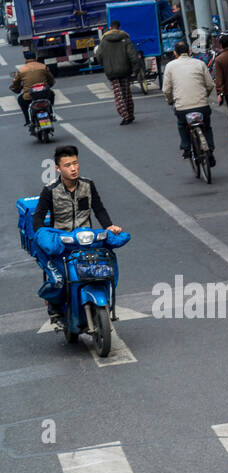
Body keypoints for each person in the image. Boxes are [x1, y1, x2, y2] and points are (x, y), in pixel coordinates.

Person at [31, 145, 124, 325]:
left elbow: (99, 209)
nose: (73, 168)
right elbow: (38, 218)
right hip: (62, 244)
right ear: (58, 168)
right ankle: (55, 306)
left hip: (87, 242)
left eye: (75, 163)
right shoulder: (50, 190)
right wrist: (43, 236)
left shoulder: (88, 185)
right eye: (67, 165)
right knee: (61, 281)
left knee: (105, 270)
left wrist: (110, 226)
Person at [162, 41, 216, 165]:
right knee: (206, 127)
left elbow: (166, 90)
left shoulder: (170, 66)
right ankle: (210, 148)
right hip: (202, 106)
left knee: (182, 124)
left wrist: (170, 101)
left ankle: (186, 147)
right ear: (189, 51)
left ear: (175, 53)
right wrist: (204, 97)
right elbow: (209, 84)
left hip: (183, 108)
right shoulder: (200, 64)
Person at [96, 20, 144, 124]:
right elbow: (133, 56)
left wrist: (104, 64)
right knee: (127, 93)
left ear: (110, 28)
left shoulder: (104, 41)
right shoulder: (125, 39)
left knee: (118, 95)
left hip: (111, 71)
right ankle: (130, 115)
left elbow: (98, 56)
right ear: (119, 27)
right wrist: (135, 70)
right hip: (125, 70)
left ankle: (125, 116)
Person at [9, 50, 55, 129]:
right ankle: (51, 114)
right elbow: (51, 80)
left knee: (20, 99)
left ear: (25, 59)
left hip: (29, 96)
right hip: (45, 94)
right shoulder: (43, 66)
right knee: (52, 94)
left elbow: (16, 83)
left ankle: (28, 120)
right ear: (35, 57)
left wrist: (15, 88)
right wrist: (49, 85)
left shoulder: (21, 70)